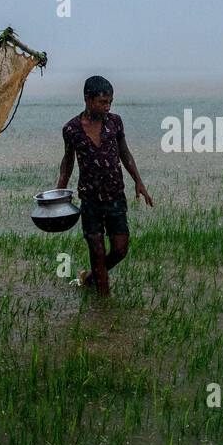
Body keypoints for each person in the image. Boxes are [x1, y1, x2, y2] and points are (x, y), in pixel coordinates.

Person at [57, 75, 152, 296]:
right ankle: (103, 303)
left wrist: (138, 181)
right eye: (103, 102)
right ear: (88, 99)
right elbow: (68, 160)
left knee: (120, 249)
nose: (107, 107)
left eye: (110, 102)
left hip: (115, 195)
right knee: (97, 252)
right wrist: (60, 190)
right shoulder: (71, 129)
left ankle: (90, 277)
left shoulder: (115, 122)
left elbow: (124, 153)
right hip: (89, 200)